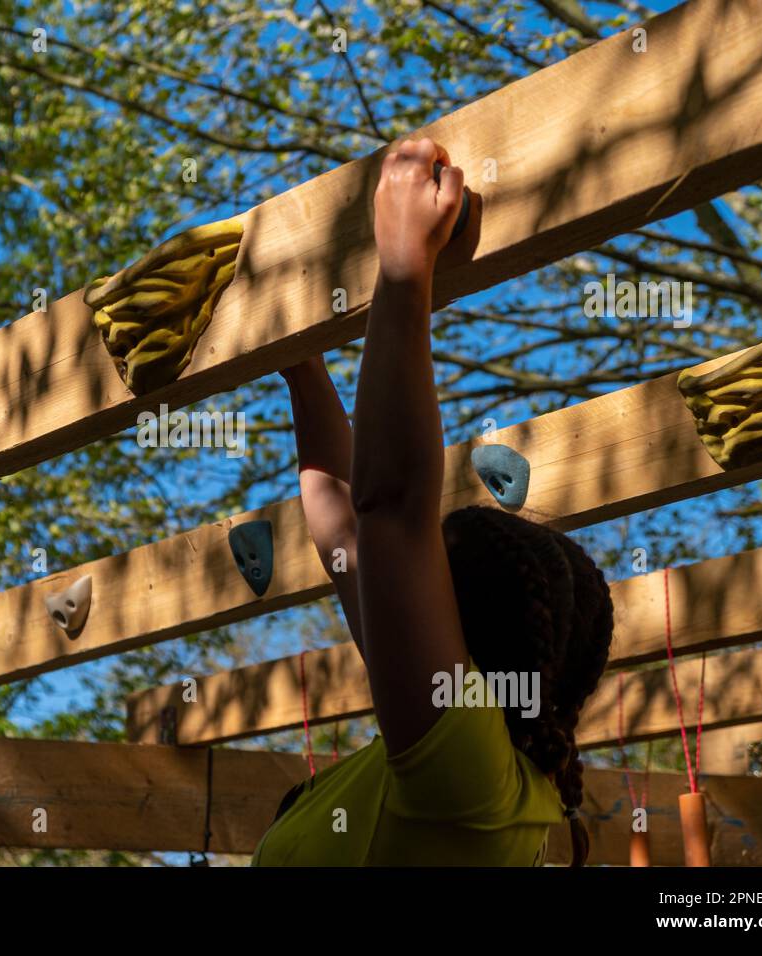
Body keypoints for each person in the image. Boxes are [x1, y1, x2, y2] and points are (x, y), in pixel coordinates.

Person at [252, 138, 615, 867]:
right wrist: (300, 361)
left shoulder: (469, 778)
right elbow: (347, 522)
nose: (398, 571)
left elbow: (389, 511)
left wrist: (404, 266)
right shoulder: (462, 763)